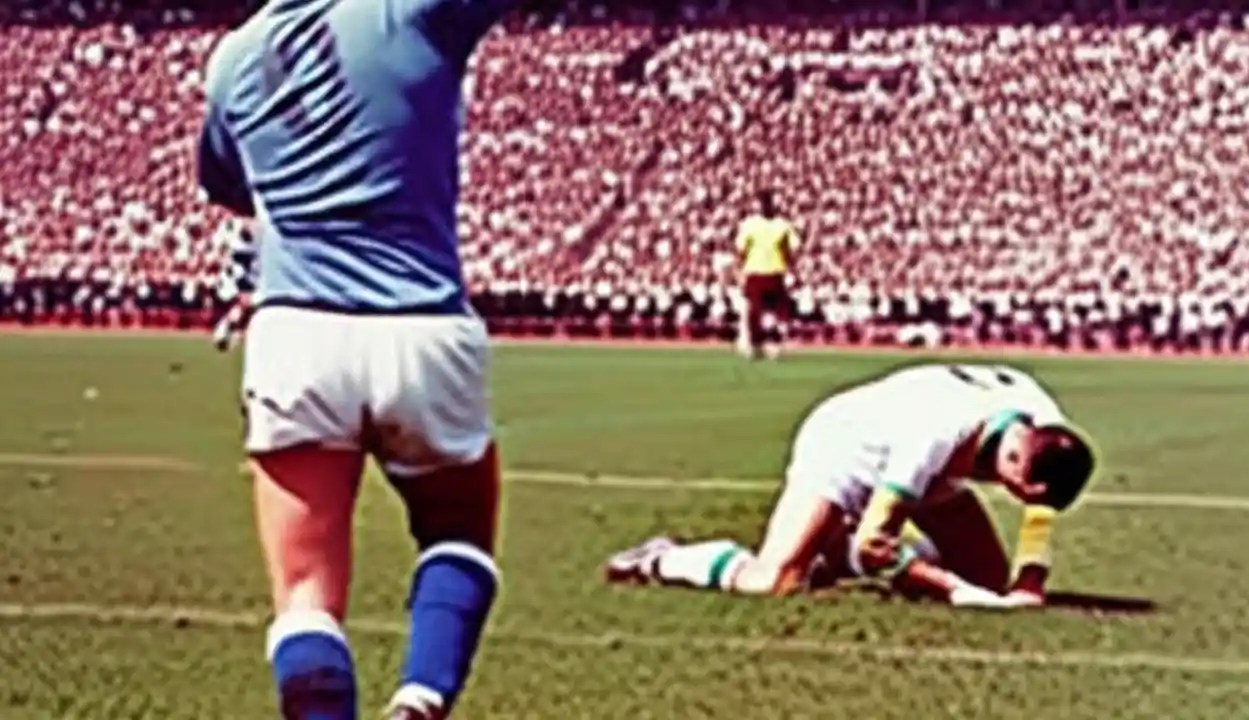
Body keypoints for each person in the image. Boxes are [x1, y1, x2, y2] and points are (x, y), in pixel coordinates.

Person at [197, 1, 517, 718]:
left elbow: (226, 186)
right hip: (422, 326)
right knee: (458, 538)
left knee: (306, 594)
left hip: (297, 331)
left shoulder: (231, 59)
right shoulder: (408, 15)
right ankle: (420, 700)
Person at [605, 363, 1095, 609]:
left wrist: (1029, 581)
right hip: (847, 446)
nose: (1027, 504)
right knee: (774, 582)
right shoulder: (934, 434)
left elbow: (1040, 507)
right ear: (1013, 461)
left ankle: (832, 549)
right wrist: (950, 590)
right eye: (1023, 492)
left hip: (936, 476)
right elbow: (878, 542)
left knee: (991, 582)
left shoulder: (1043, 424)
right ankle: (663, 557)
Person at [734, 190, 801, 360]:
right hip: (755, 271)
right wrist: (740, 269)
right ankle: (756, 345)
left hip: (775, 271)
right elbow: (741, 249)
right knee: (754, 311)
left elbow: (791, 248)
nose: (766, 206)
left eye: (769, 203)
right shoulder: (749, 224)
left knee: (778, 311)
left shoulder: (782, 225)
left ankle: (774, 343)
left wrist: (791, 268)